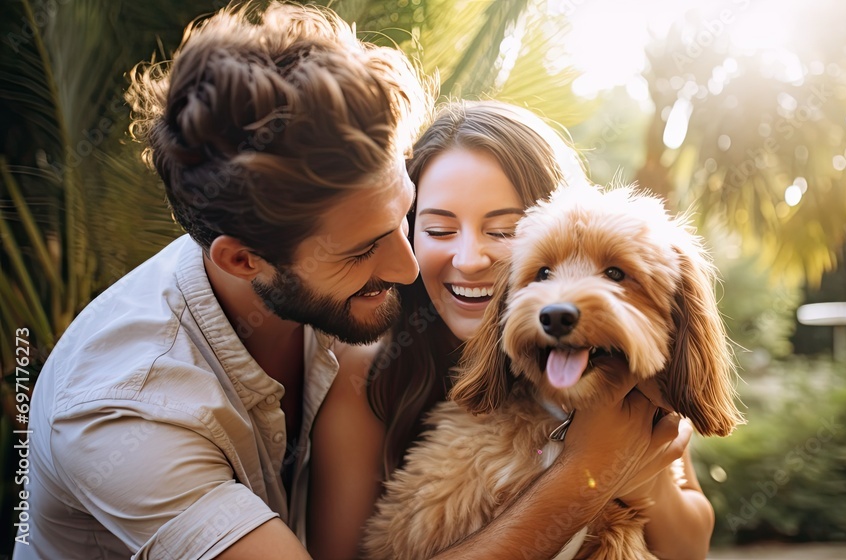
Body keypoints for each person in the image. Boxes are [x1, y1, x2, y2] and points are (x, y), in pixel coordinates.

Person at [16, 3, 431, 559]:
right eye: (361, 250)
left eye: (404, 215)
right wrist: (558, 488)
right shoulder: (124, 412)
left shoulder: (321, 289)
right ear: (241, 261)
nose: (408, 267)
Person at [308, 100, 717, 559]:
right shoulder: (369, 378)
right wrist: (589, 469)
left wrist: (642, 473)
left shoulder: (626, 371)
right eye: (439, 230)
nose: (469, 260)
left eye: (504, 231)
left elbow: (690, 549)